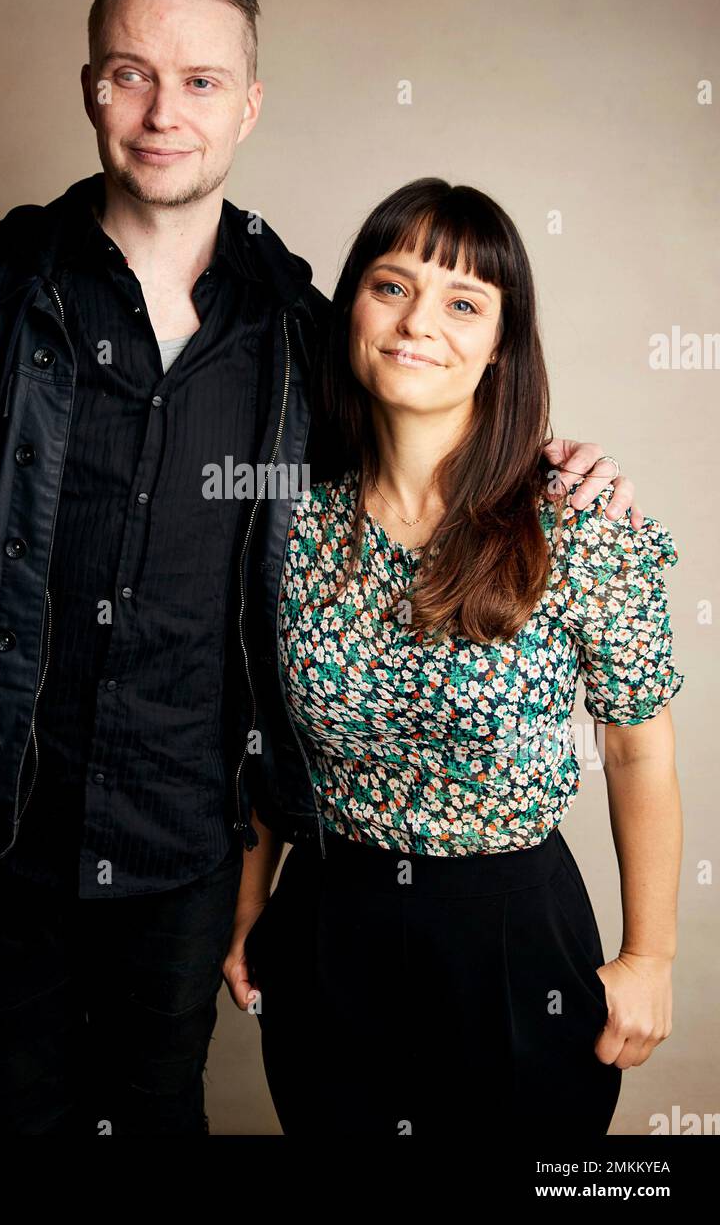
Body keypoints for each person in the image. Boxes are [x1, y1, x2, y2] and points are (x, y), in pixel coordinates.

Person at [0, 0, 639, 1137]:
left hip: (194, 853)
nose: (165, 112)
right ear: (89, 88)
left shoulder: (304, 336)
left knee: (162, 1117)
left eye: (202, 81)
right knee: (23, 1120)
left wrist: (557, 467)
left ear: (249, 104)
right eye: (130, 74)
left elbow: (435, 412)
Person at [225, 178, 684, 1137]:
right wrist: (246, 910)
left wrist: (651, 958)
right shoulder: (290, 525)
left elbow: (639, 750)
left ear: (499, 349)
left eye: (463, 303)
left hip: (515, 942)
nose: (417, 322)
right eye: (391, 287)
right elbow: (263, 737)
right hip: (326, 935)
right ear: (351, 307)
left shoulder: (579, 526)